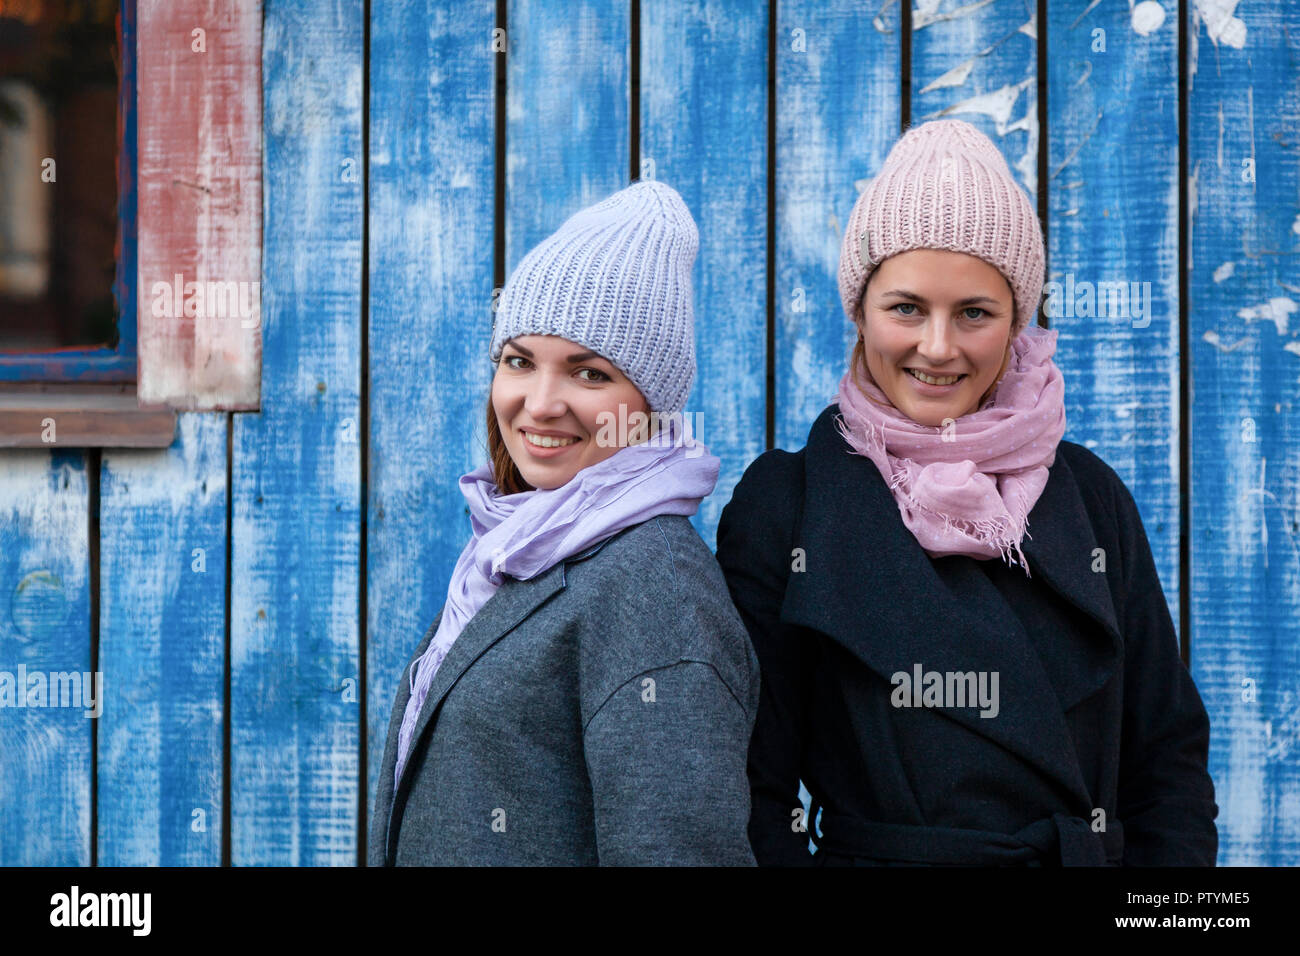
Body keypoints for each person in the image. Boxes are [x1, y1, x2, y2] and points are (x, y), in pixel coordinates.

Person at [716, 119, 1218, 866]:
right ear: (859, 310)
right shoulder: (790, 506)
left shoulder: (1089, 498)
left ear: (1018, 319)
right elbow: (749, 792)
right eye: (907, 308)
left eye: (975, 313)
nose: (939, 347)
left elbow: (1167, 765)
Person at [369, 180, 759, 866]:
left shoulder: (653, 587)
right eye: (519, 361)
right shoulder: (517, 550)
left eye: (588, 373)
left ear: (649, 401)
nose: (540, 404)